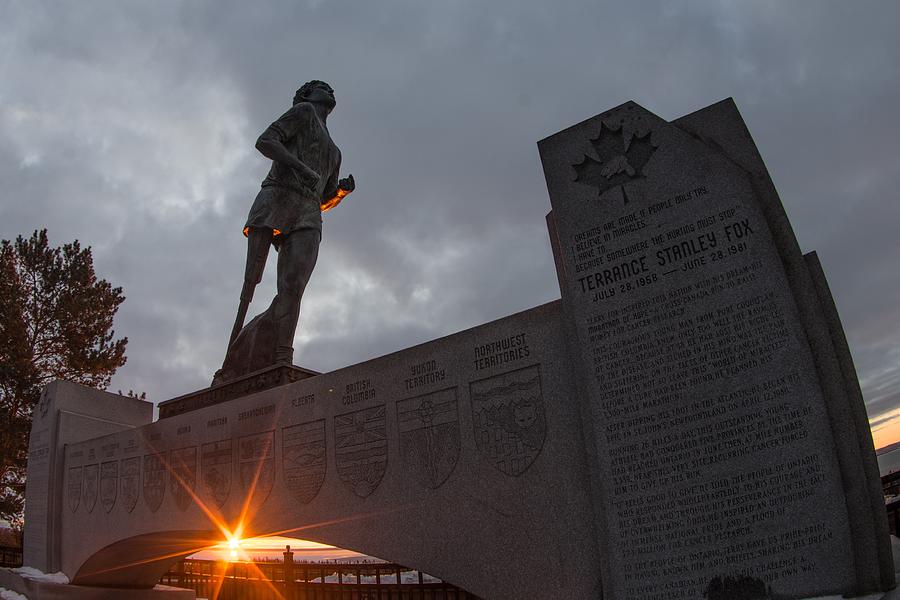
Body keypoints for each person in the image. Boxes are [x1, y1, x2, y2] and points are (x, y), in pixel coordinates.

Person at [214, 80, 354, 385]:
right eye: (322, 87)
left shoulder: (335, 151)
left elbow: (324, 197)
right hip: (277, 198)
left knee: (293, 285)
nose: (330, 91)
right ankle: (228, 368)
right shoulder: (302, 112)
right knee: (249, 285)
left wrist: (341, 192)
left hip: (308, 212)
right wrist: (300, 167)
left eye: (331, 88)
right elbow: (266, 141)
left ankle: (281, 355)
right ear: (306, 94)